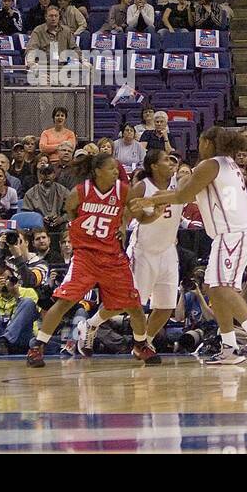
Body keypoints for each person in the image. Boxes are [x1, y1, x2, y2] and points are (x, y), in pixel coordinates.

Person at [132, 126, 247, 365]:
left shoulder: (211, 165)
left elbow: (182, 196)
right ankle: (229, 347)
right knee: (214, 287)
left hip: (232, 231)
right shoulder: (226, 164)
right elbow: (185, 191)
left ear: (208, 142)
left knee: (224, 287)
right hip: (231, 232)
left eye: (201, 140)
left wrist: (150, 199)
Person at [26, 152, 160, 367]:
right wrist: (77, 230)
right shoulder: (80, 192)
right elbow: (69, 212)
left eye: (117, 168)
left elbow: (136, 214)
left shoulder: (123, 191)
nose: (117, 171)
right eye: (111, 169)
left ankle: (140, 344)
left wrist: (128, 223)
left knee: (133, 305)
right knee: (63, 303)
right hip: (85, 257)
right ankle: (37, 347)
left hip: (112, 257)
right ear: (98, 172)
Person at [80, 148, 184, 352]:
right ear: (153, 166)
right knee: (126, 302)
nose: (171, 163)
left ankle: (145, 344)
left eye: (173, 160)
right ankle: (90, 325)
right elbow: (125, 214)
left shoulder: (179, 185)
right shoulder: (142, 187)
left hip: (168, 250)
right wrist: (120, 229)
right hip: (143, 251)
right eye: (166, 160)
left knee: (165, 307)